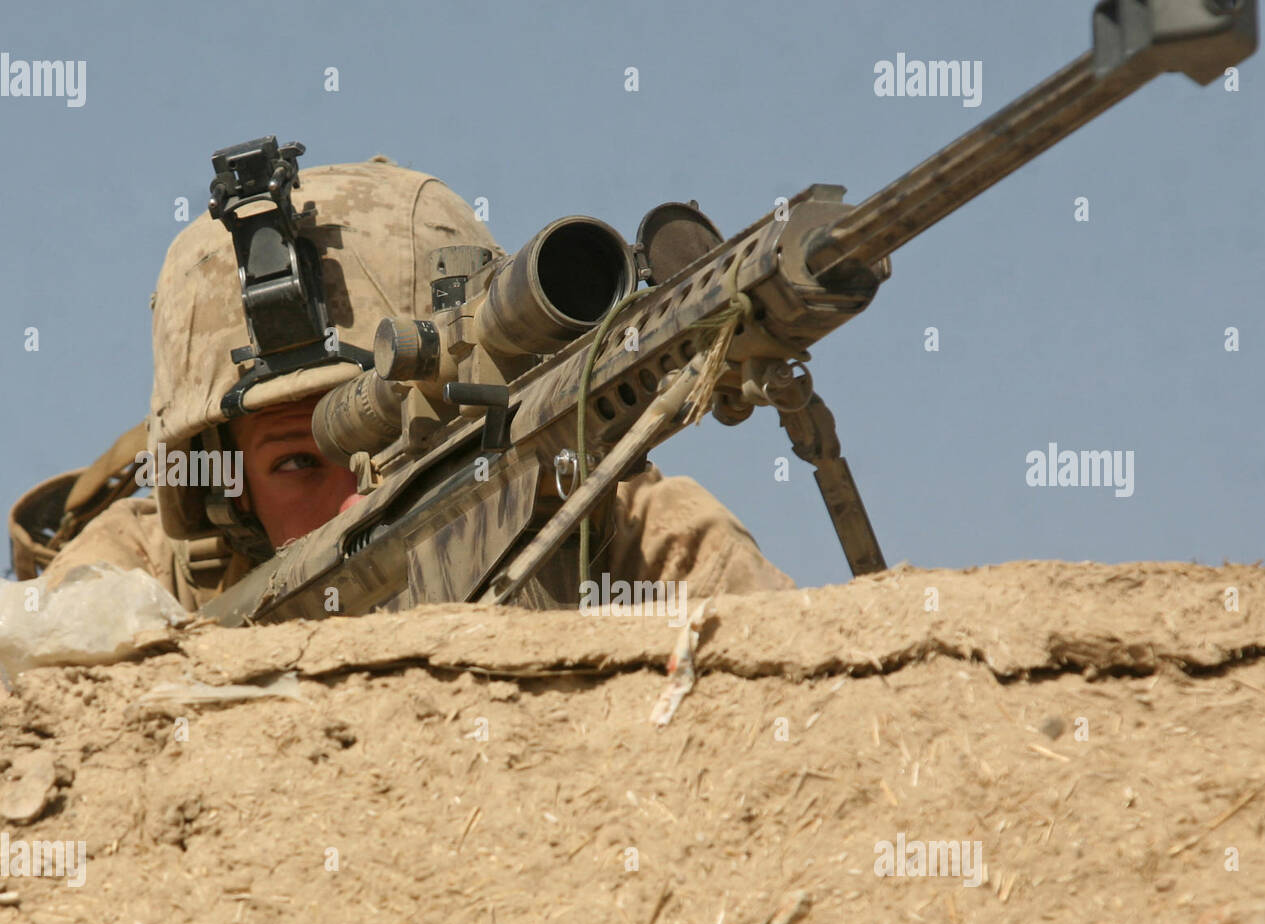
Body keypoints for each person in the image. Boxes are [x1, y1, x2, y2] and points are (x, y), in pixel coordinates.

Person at [26, 153, 793, 612]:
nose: (362, 497)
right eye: (298, 460)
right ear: (225, 496)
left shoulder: (621, 533)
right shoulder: (140, 574)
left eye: (410, 439)